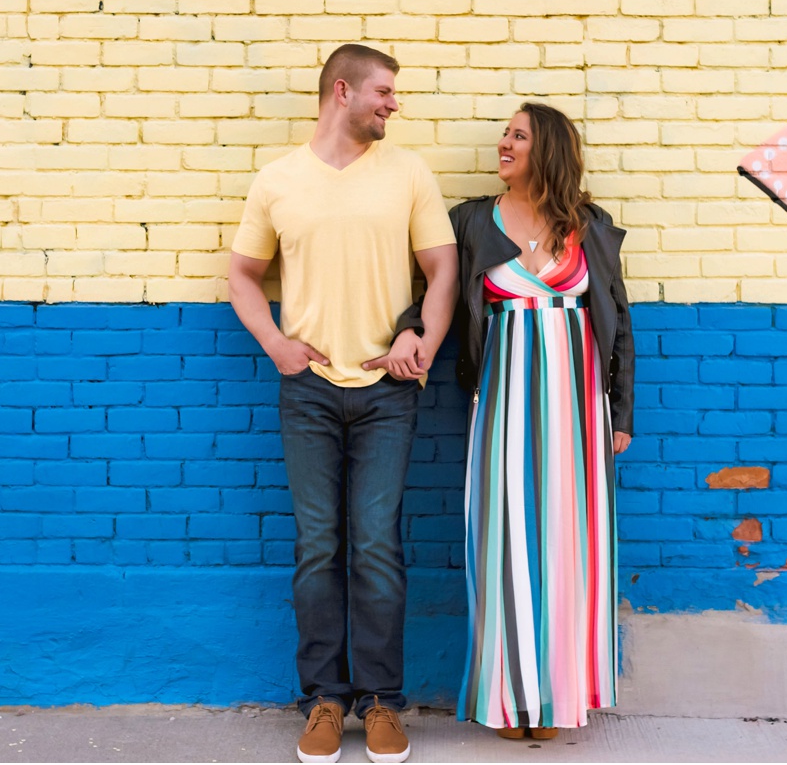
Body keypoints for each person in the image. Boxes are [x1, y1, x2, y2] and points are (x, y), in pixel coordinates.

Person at [229, 43, 459, 765]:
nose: (395, 103)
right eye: (384, 91)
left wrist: (423, 339)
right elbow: (241, 274)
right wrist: (276, 344)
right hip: (309, 392)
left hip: (389, 391)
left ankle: (384, 704)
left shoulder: (409, 174)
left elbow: (442, 267)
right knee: (318, 547)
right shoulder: (278, 182)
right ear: (342, 92)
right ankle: (325, 701)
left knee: (375, 546)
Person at [397, 102, 634, 740]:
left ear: (547, 150)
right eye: (504, 134)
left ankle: (556, 699)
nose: (503, 144)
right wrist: (407, 338)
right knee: (504, 544)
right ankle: (510, 698)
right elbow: (430, 297)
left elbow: (619, 325)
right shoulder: (473, 221)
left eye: (517, 136)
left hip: (579, 410)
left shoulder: (591, 227)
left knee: (568, 550)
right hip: (501, 403)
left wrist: (621, 414)